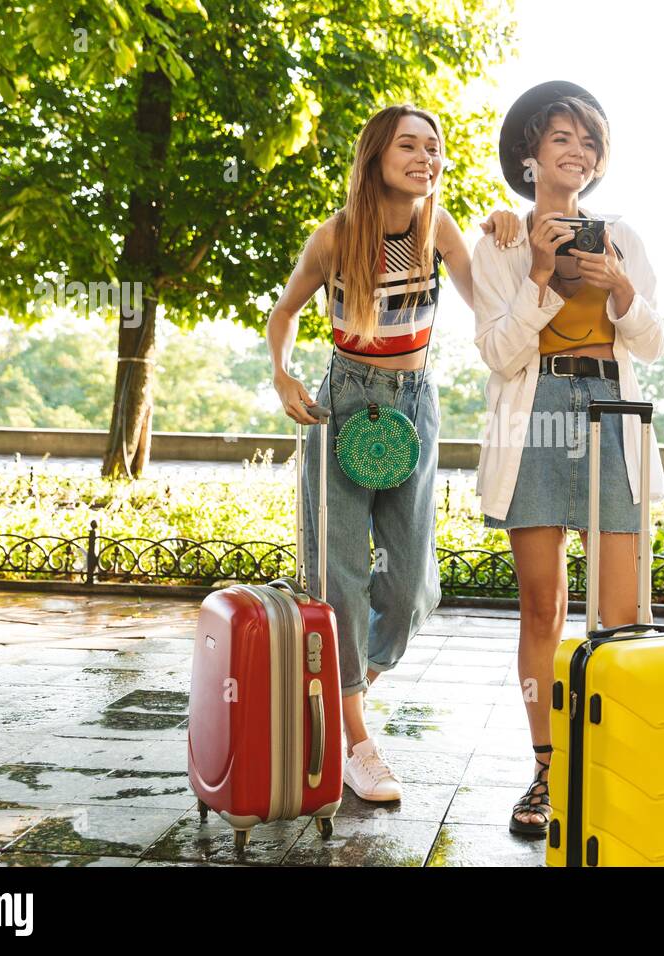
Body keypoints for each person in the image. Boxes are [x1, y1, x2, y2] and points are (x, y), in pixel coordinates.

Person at [471, 81, 664, 860]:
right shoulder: (497, 240)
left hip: (612, 413)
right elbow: (499, 352)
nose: (576, 152)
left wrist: (621, 290)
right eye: (559, 138)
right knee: (541, 606)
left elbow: (653, 340)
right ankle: (547, 770)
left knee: (621, 611)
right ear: (529, 156)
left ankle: (630, 766)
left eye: (588, 142)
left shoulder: (622, 234)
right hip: (535, 416)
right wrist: (535, 272)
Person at [266, 103, 518, 802]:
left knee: (409, 587)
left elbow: (484, 295)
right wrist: (282, 375)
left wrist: (505, 234)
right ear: (376, 155)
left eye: (433, 147)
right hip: (342, 404)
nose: (424, 157)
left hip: (412, 406)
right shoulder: (337, 235)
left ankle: (343, 692)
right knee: (339, 577)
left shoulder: (437, 226)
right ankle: (354, 738)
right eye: (409, 145)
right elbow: (284, 312)